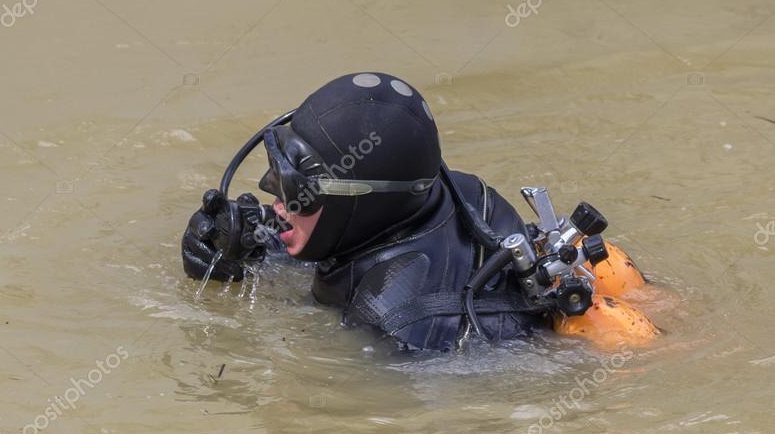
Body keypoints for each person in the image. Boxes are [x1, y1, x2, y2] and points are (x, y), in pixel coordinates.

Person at [182, 72, 656, 352]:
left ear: (360, 202)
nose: (274, 198)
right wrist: (236, 246)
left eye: (297, 188)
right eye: (276, 171)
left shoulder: (406, 326)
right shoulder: (465, 195)